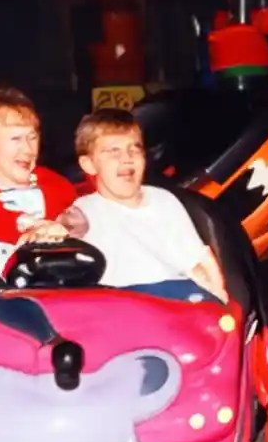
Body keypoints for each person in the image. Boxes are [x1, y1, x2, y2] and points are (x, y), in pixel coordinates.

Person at [56, 109, 228, 302]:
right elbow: (65, 227)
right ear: (89, 164)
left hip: (176, 298)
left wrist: (219, 300)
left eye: (134, 149)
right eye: (114, 151)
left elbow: (198, 263)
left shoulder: (165, 201)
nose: (127, 158)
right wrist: (54, 229)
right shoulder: (85, 210)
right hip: (122, 304)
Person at [0, 87, 77, 274]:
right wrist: (34, 229)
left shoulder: (60, 187)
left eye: (32, 138)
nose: (28, 150)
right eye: (15, 138)